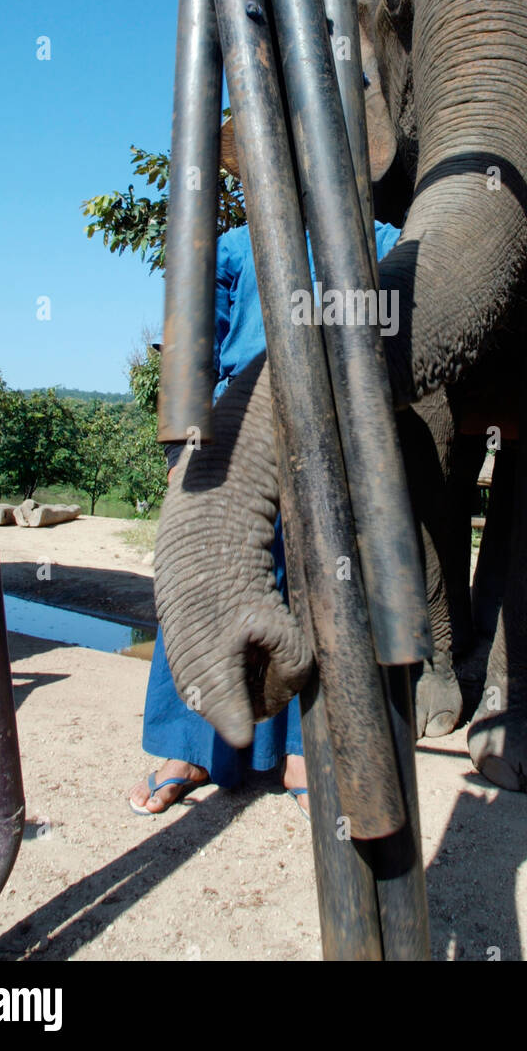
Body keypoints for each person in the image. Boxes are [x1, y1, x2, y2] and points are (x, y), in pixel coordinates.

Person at [129, 216, 400, 818]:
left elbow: (415, 294)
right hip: (234, 430)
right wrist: (182, 452)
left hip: (332, 420)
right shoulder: (228, 246)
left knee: (320, 587)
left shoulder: (373, 236)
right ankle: (189, 750)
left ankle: (305, 751)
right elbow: (194, 350)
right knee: (201, 585)